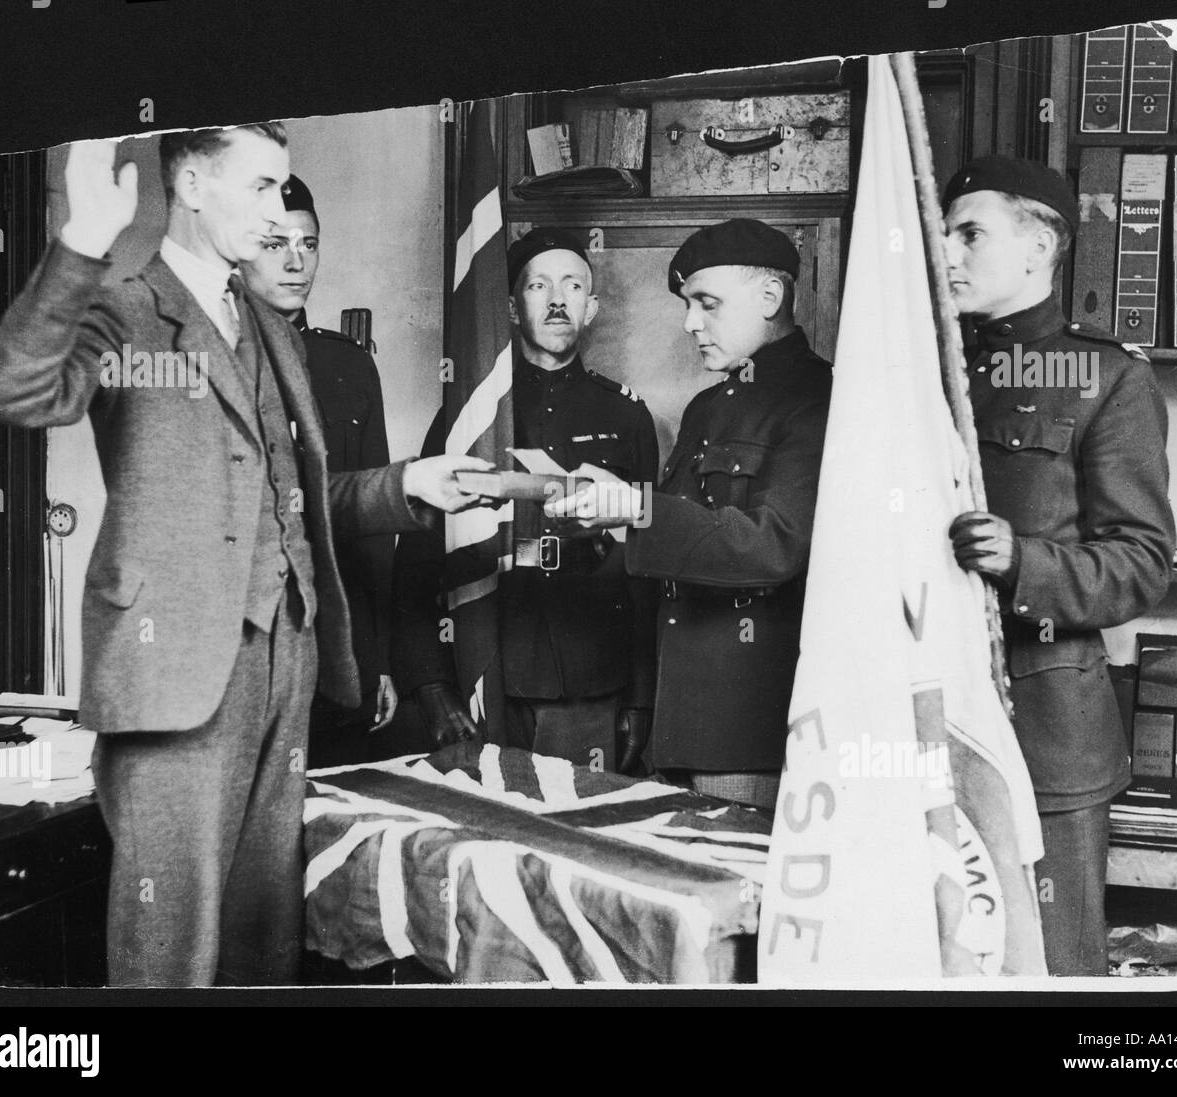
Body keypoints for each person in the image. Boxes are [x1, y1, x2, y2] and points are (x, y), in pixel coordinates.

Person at [0, 130, 491, 986]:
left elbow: (289, 501)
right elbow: (12, 388)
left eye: (283, 189)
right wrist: (82, 241)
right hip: (175, 671)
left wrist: (409, 483)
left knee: (261, 940)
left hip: (285, 662)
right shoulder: (129, 308)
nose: (278, 212)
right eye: (259, 188)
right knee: (171, 947)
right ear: (190, 184)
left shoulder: (265, 324)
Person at [940, 155, 1176, 975]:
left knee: (1054, 964)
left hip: (1046, 733)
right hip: (930, 721)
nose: (947, 251)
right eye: (943, 234)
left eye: (970, 233)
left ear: (1040, 246)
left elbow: (1141, 563)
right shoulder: (934, 376)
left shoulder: (1108, 377)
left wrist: (1023, 561)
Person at [547, 218, 833, 811]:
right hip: (677, 723)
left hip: (749, 732)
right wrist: (602, 522)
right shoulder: (707, 407)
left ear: (770, 297)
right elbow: (681, 548)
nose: (690, 323)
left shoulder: (818, 399)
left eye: (707, 303)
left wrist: (635, 507)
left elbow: (773, 546)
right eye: (687, 305)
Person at [391, 227, 660, 772]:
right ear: (512, 308)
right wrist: (430, 684)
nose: (558, 300)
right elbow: (418, 555)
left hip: (590, 674)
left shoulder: (626, 416)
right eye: (539, 286)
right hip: (486, 659)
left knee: (584, 819)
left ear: (591, 307)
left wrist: (640, 696)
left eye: (573, 286)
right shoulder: (471, 417)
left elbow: (646, 562)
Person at [240, 174, 397, 768]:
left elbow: (374, 533)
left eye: (308, 244)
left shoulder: (349, 365)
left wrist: (377, 659)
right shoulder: (208, 359)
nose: (296, 261)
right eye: (275, 244)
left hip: (336, 650)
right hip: (244, 653)